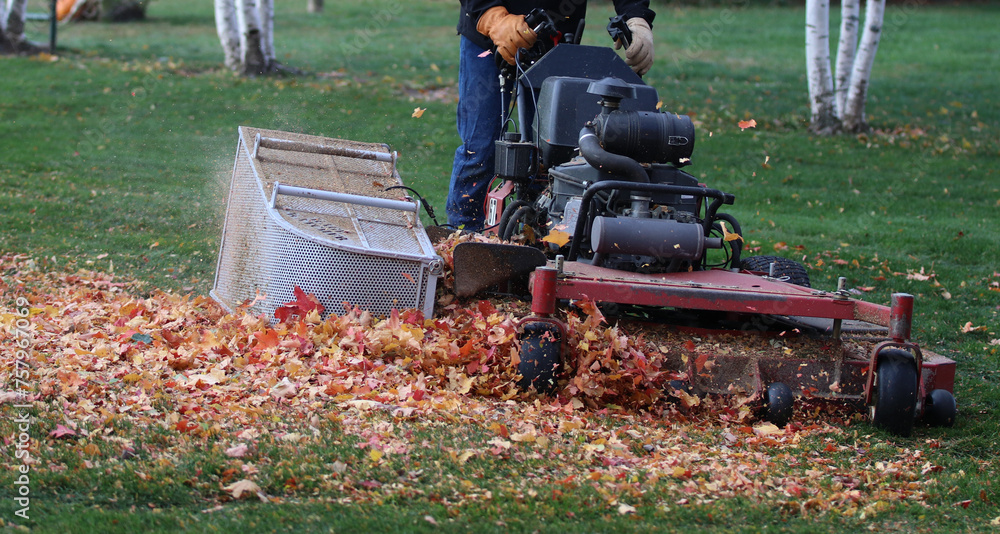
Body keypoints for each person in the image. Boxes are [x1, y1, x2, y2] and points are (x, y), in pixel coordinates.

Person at [447, 1, 656, 232]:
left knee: (550, 154)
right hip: (486, 38)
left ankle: (540, 243)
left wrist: (636, 17)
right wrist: (491, 16)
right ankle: (461, 238)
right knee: (481, 148)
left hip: (555, 36)